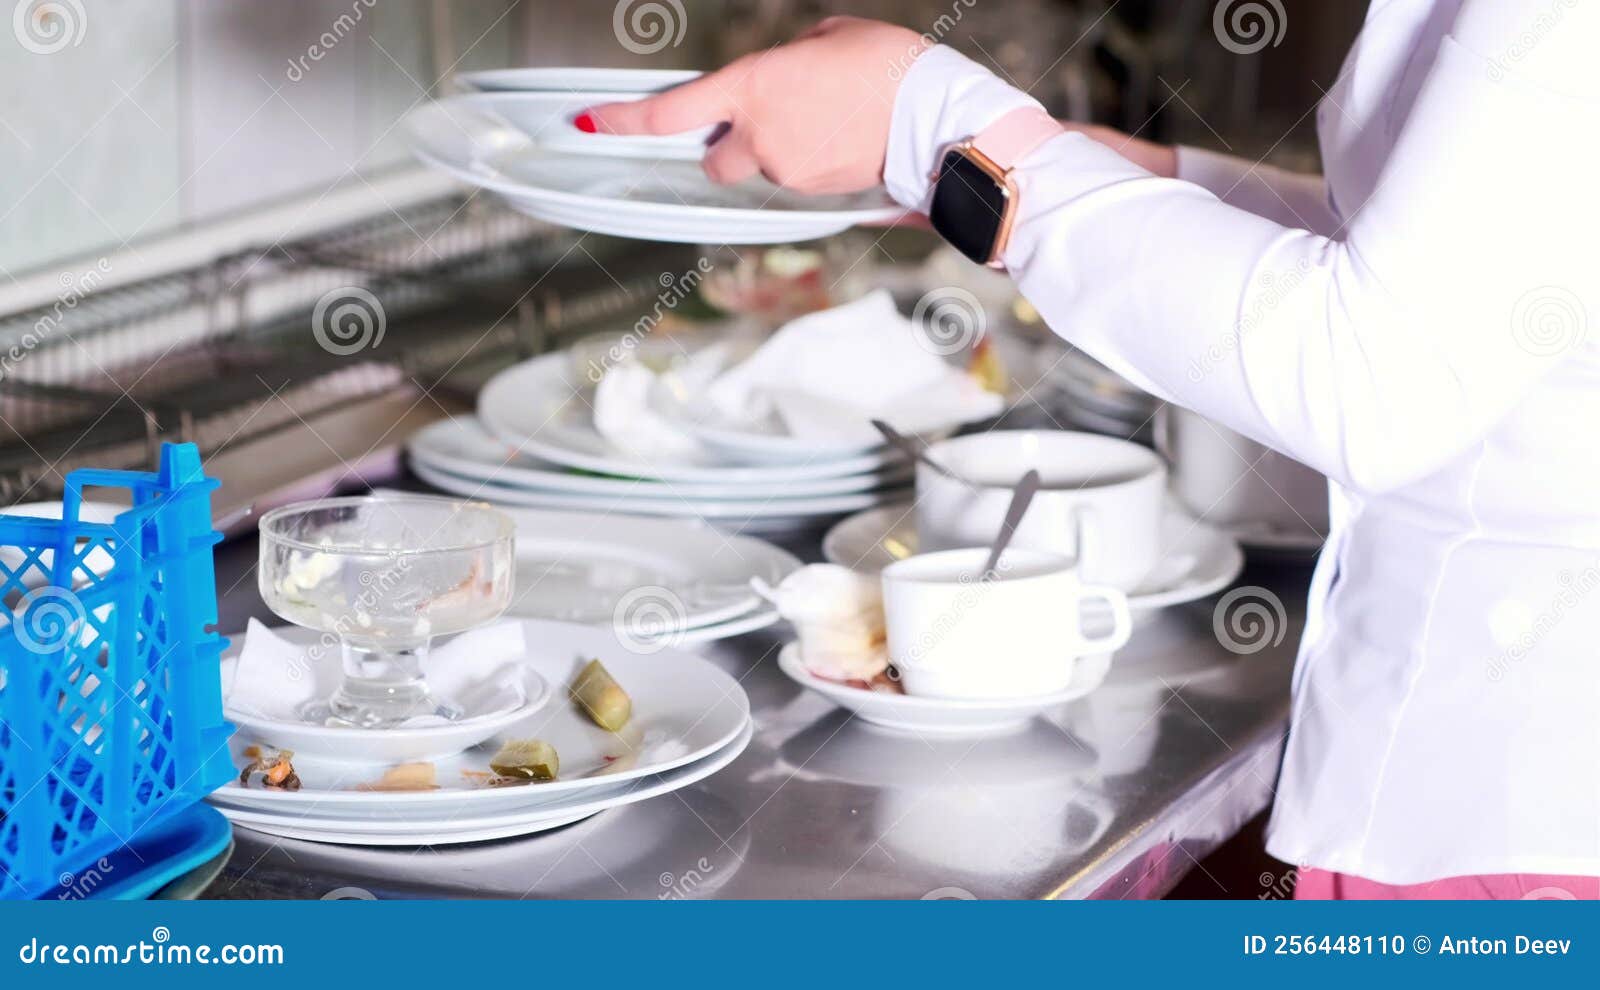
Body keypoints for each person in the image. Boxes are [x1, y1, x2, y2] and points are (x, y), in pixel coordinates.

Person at [583, 3, 1600, 900]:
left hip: (1510, 819)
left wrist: (939, 128)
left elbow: (1381, 375)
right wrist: (1124, 175)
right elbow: (1474, 279)